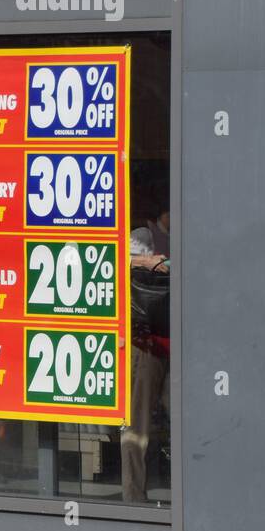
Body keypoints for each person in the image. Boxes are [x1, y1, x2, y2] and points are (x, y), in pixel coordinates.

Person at [122, 188, 170, 502]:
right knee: (136, 423)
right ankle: (133, 498)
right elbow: (121, 260)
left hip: (170, 345)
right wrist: (157, 262)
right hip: (147, 344)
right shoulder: (145, 233)